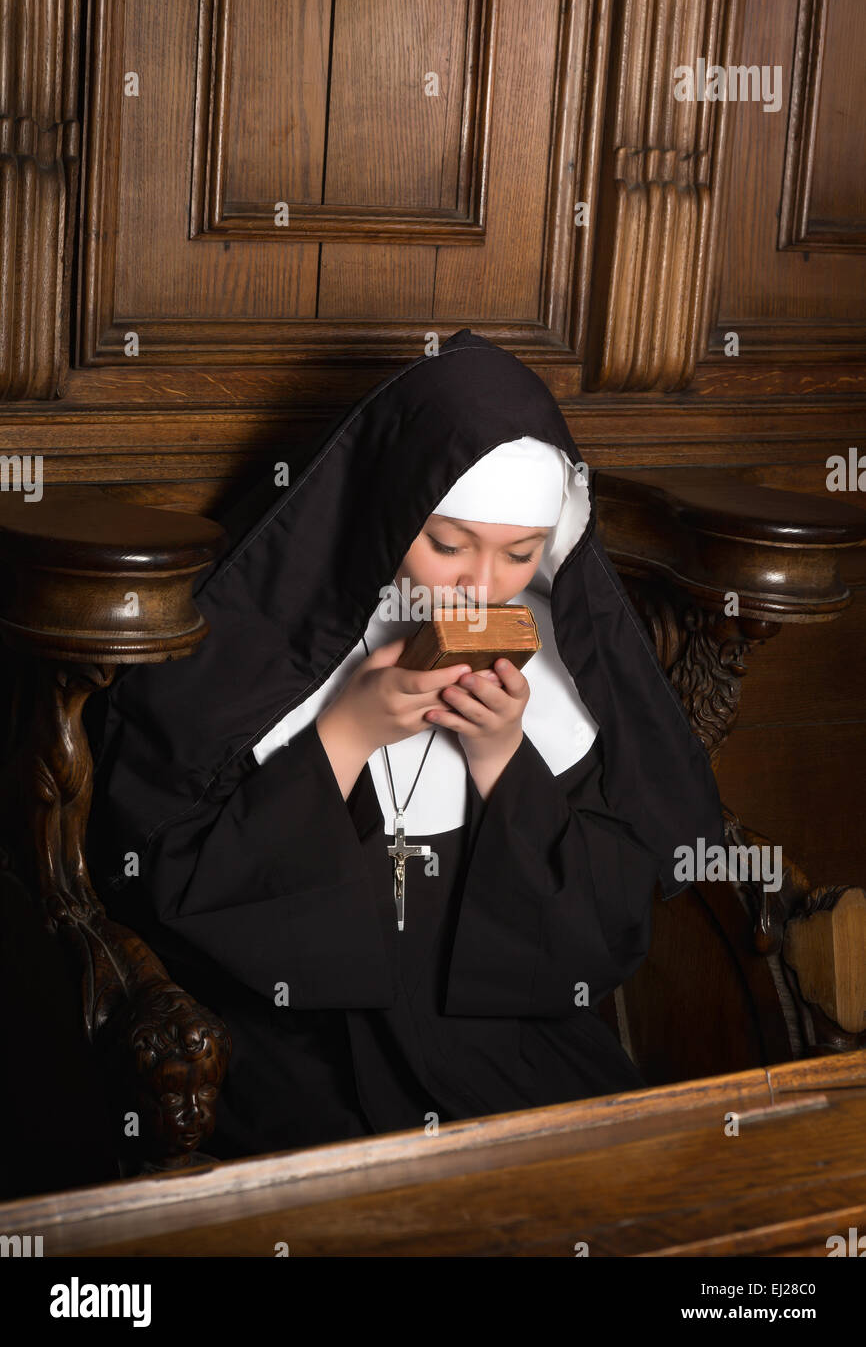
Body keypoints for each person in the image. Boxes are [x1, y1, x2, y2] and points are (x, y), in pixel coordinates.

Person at [87, 328, 726, 1158]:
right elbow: (162, 876)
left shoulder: (564, 665)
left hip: (505, 1039)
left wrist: (503, 757)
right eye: (449, 543)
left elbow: (600, 931)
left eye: (519, 553)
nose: (481, 584)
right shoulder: (262, 653)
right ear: (394, 509)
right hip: (309, 1043)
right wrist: (345, 733)